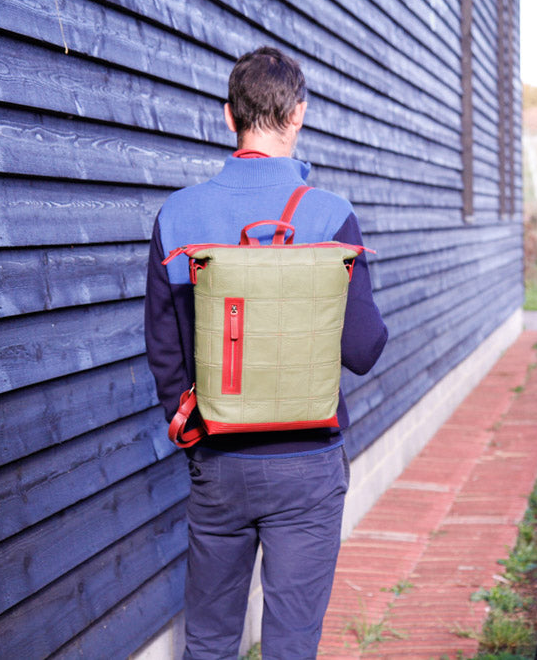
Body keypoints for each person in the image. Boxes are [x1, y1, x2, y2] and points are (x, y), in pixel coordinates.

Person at [144, 46, 388, 658]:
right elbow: (362, 349)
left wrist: (193, 423)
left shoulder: (178, 215)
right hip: (306, 462)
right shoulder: (332, 217)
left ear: (229, 116)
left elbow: (164, 348)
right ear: (298, 114)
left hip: (218, 460)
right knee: (290, 642)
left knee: (208, 639)